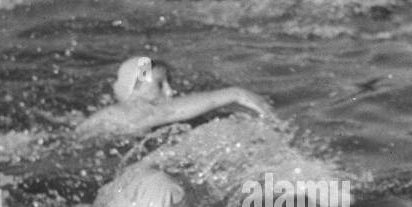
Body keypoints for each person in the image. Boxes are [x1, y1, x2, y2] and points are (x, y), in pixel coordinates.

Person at [75, 56, 273, 139]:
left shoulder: (126, 114)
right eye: (160, 84)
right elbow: (166, 110)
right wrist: (235, 93)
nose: (171, 92)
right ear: (134, 90)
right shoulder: (130, 110)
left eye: (170, 83)